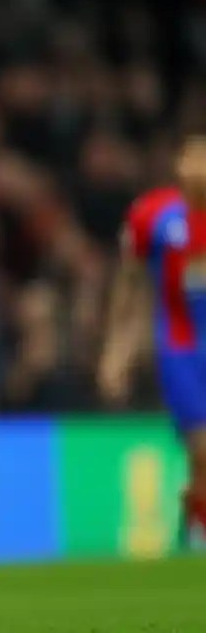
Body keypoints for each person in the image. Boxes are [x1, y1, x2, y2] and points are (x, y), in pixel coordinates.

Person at [99, 133, 206, 552]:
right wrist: (116, 351)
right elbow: (129, 286)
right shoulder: (152, 215)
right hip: (180, 348)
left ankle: (191, 512)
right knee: (202, 447)